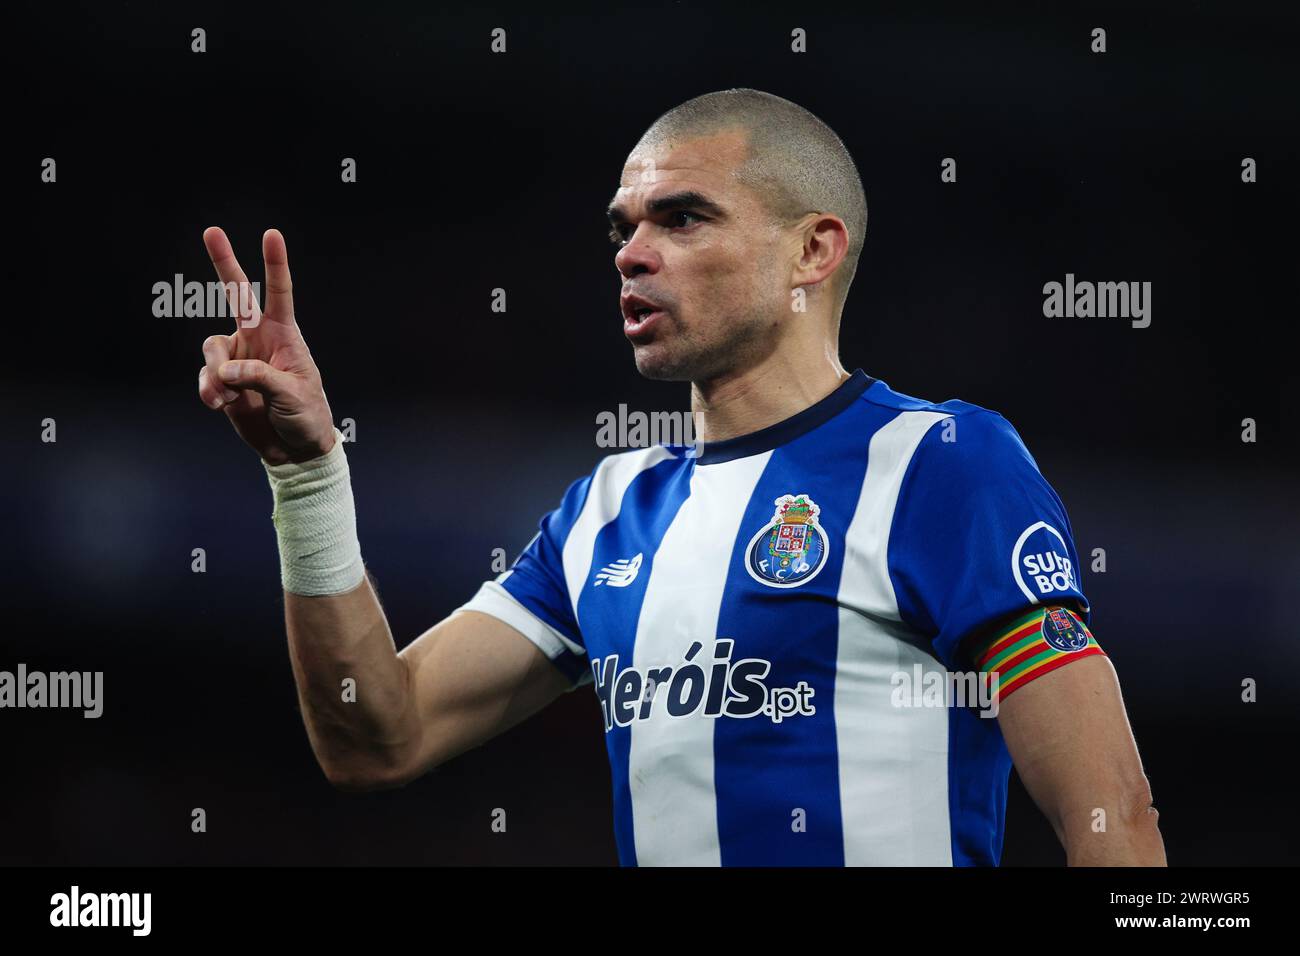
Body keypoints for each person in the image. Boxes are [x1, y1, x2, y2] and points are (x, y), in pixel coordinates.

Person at [195, 88, 1165, 866]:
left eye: (683, 216)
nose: (632, 253)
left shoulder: (940, 463)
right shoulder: (607, 512)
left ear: (812, 250)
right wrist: (307, 478)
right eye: (622, 227)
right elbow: (375, 735)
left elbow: (1110, 816)